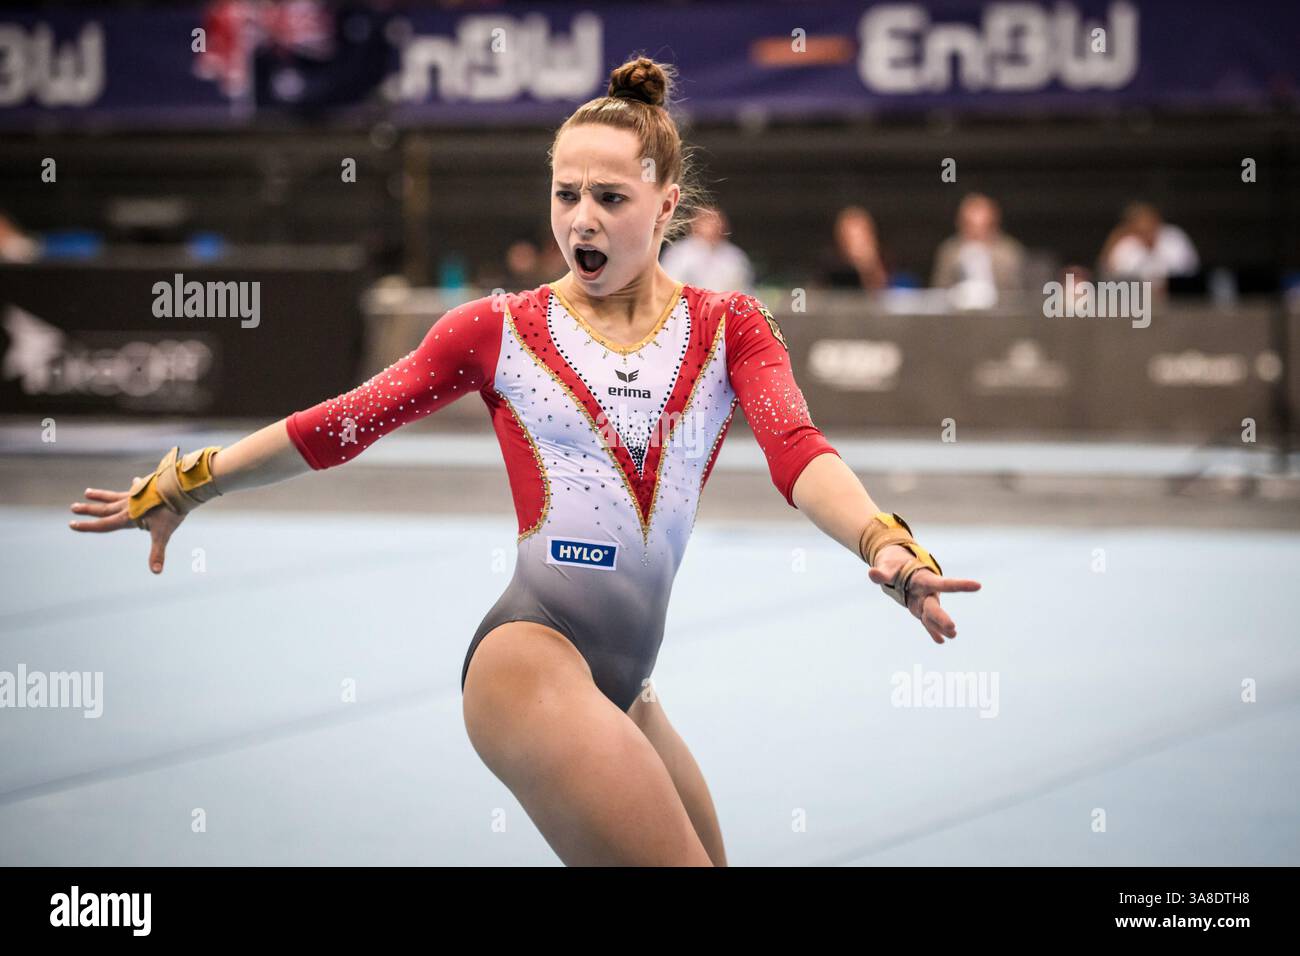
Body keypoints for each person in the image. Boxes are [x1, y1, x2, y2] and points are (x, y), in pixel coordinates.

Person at [68, 56, 980, 867]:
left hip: (625, 689)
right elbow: (337, 427)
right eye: (565, 193)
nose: (581, 220)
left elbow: (798, 451)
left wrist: (880, 541)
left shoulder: (727, 327)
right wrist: (190, 483)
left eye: (610, 199)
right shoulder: (495, 331)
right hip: (528, 661)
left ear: (668, 206)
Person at [930, 192, 1026, 308]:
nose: (976, 234)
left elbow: (1018, 294)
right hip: (957, 317)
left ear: (994, 224)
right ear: (960, 224)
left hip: (1000, 316)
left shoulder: (1008, 252)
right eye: (970, 226)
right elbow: (938, 293)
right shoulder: (949, 251)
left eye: (983, 227)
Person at [1098, 201, 1199, 287]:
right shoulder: (1127, 245)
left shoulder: (1173, 237)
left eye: (1150, 225)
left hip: (1179, 296)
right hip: (1136, 298)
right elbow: (1112, 277)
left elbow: (1187, 271)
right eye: (1141, 228)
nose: (1147, 232)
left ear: (1157, 221)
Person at [658, 205, 754, 293]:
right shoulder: (679, 253)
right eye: (707, 222)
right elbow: (668, 288)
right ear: (695, 225)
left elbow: (745, 290)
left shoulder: (735, 256)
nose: (713, 227)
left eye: (717, 222)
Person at [820, 205, 890, 291]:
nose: (856, 246)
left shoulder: (892, 270)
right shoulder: (829, 275)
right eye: (850, 239)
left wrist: (869, 267)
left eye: (861, 238)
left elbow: (885, 294)